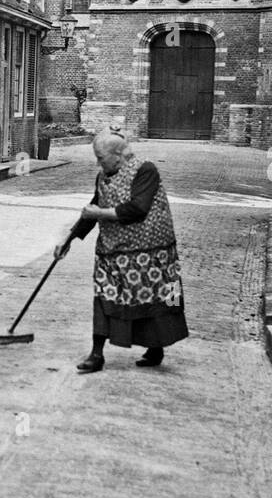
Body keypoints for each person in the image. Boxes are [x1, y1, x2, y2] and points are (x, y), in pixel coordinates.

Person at [55, 128, 189, 373]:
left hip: (150, 251)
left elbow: (138, 208)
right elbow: (95, 206)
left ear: (118, 155)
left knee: (156, 297)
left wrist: (99, 214)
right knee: (104, 295)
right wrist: (69, 238)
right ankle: (97, 354)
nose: (98, 162)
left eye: (101, 158)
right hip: (112, 250)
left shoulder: (145, 170)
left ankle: (156, 346)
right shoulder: (103, 175)